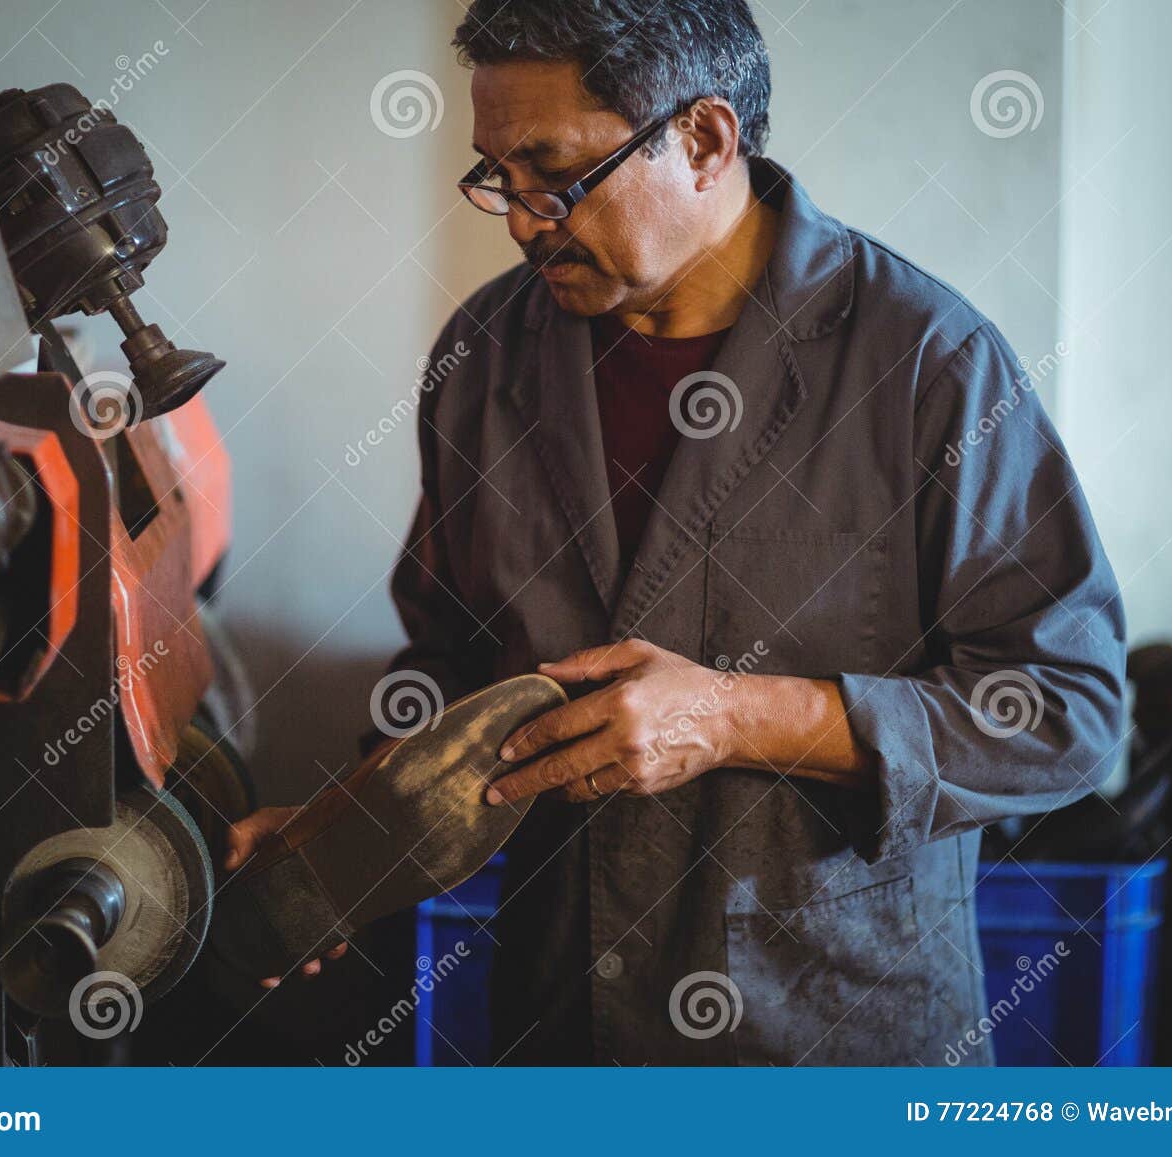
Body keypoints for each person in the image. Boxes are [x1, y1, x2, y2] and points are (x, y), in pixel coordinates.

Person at [231, 0, 1125, 1065]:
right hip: (562, 1019)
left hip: (829, 1037)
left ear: (702, 140)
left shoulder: (925, 364)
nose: (519, 219)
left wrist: (736, 714)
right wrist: (339, 843)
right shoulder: (485, 353)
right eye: (496, 174)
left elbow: (1068, 712)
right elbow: (454, 664)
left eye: (552, 173)